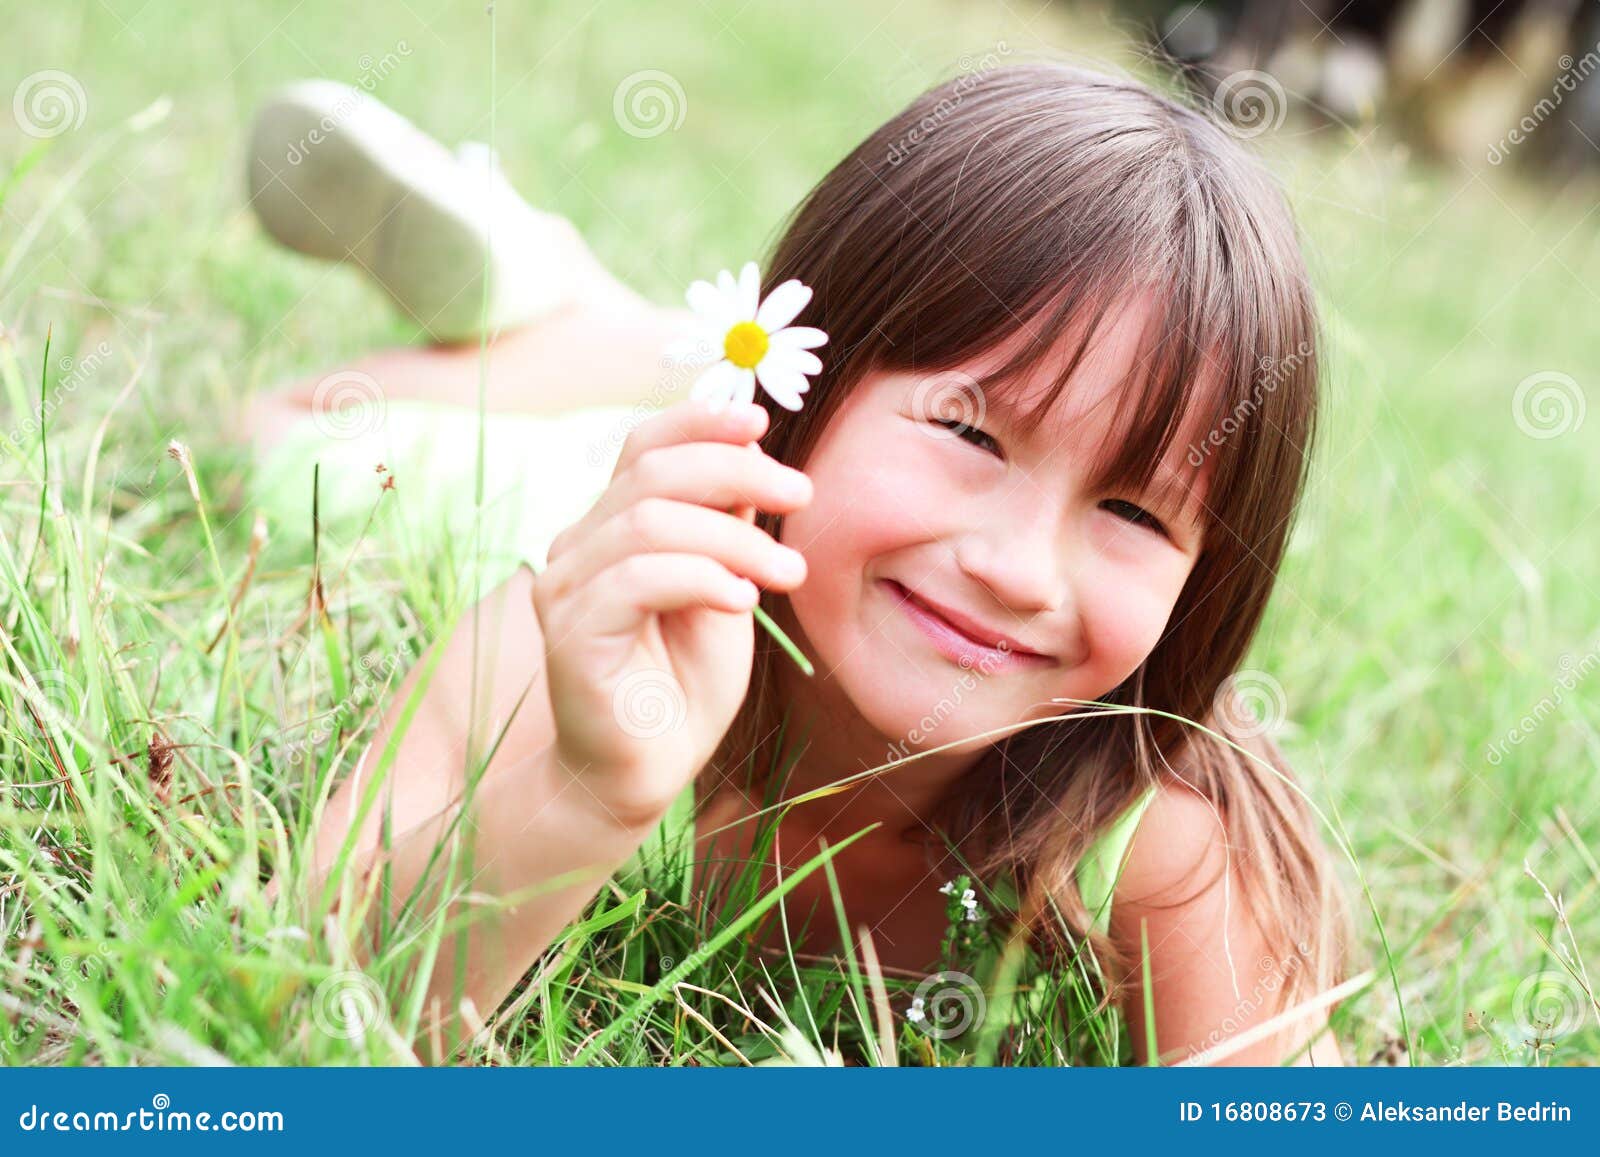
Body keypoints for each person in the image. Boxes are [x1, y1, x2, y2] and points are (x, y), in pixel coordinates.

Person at [249, 63, 1348, 1066]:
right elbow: (311, 1001)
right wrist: (584, 789)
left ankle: (589, 309)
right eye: (969, 433)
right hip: (602, 493)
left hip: (780, 476)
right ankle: (564, 324)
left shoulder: (1171, 838)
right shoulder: (570, 629)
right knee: (285, 441)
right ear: (797, 395)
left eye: (1132, 509)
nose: (1019, 568)